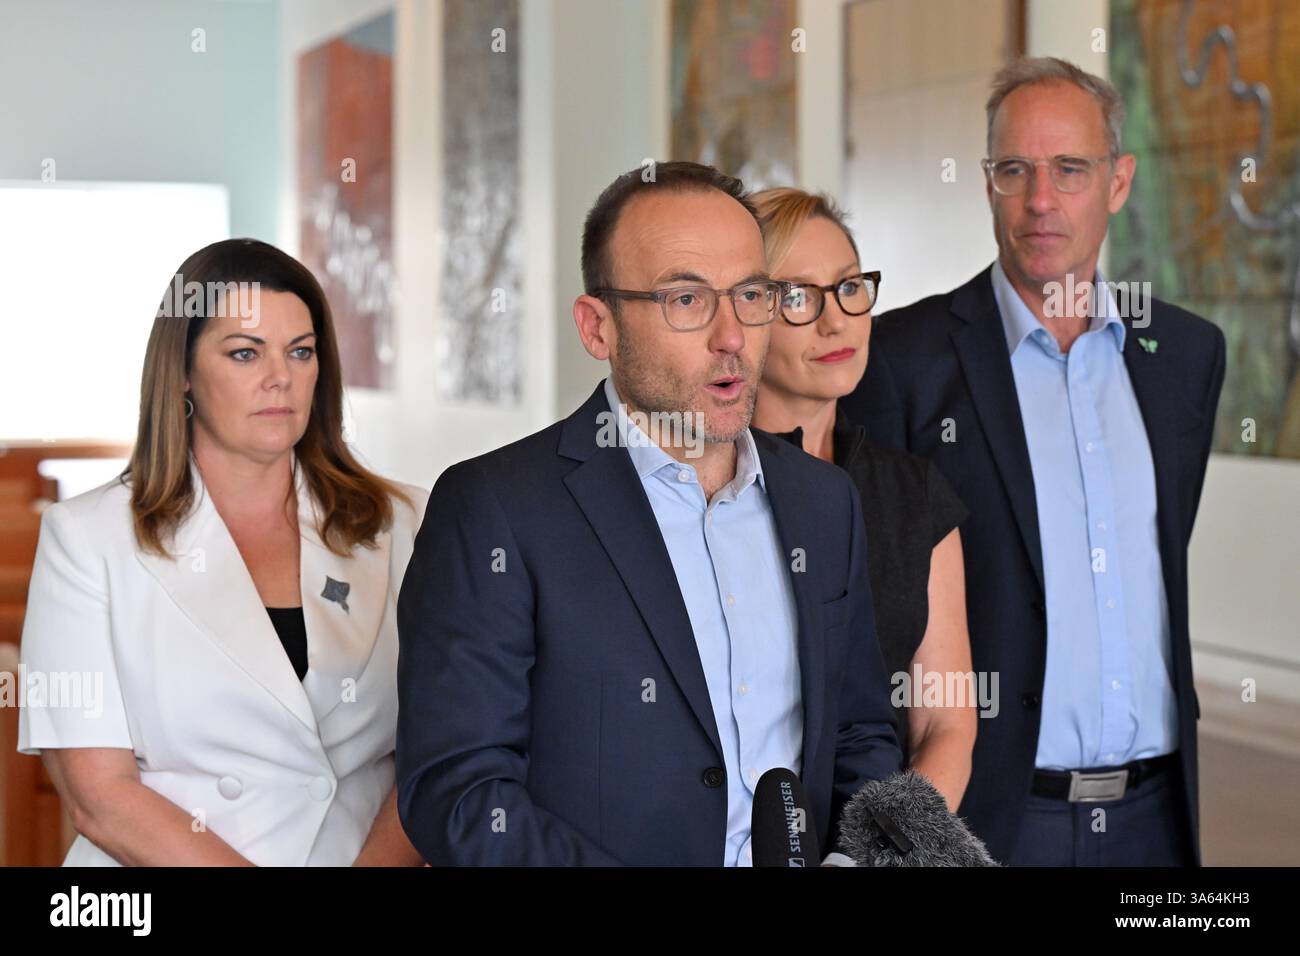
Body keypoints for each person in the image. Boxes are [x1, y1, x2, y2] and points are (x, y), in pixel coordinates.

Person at [396, 161, 903, 866]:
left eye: (752, 294)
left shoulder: (823, 502)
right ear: (598, 326)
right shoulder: (495, 509)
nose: (732, 335)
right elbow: (457, 791)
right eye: (687, 300)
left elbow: (858, 734)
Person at [841, 57, 1226, 866]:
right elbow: (873, 617)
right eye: (1014, 170)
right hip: (992, 816)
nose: (1040, 200)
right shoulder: (903, 364)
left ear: (1118, 182)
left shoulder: (1186, 354)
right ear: (987, 183)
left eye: (1070, 170)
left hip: (1156, 817)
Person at [18, 238, 428, 866]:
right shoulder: (84, 540)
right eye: (245, 353)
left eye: (301, 351)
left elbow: (445, 749)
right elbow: (99, 796)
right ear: (181, 372)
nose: (280, 379)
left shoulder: (403, 521)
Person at [749, 187, 976, 811]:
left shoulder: (915, 495)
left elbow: (945, 726)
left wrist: (875, 857)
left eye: (850, 287)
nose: (835, 320)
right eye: (797, 296)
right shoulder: (695, 484)